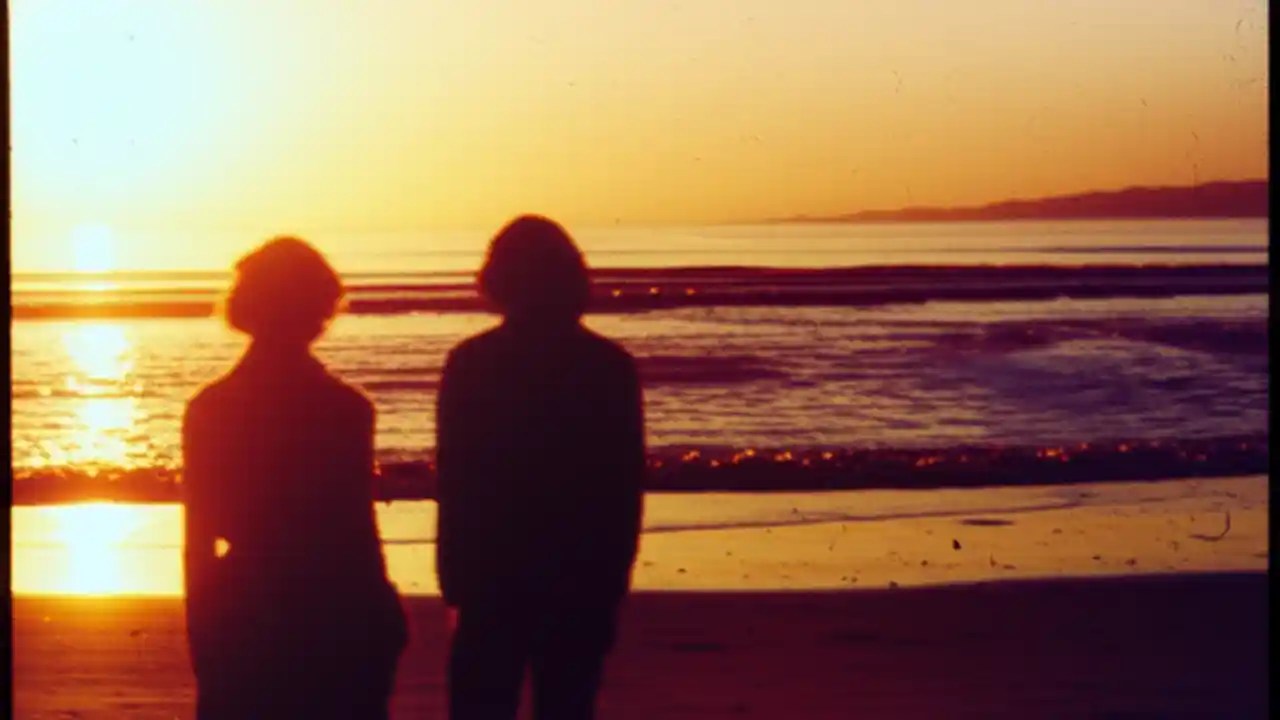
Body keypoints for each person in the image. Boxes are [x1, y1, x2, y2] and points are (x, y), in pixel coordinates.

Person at [182, 237, 407, 719]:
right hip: (333, 605)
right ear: (320, 309)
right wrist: (381, 615)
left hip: (242, 608)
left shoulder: (210, 407)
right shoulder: (345, 408)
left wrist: (201, 629)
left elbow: (197, 538)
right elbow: (357, 530)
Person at [435, 215, 646, 720]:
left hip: (493, 572)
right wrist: (613, 579)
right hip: (579, 573)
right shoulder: (608, 365)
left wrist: (453, 577)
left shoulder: (471, 362)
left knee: (482, 705)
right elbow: (623, 486)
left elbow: (457, 480)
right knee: (569, 704)